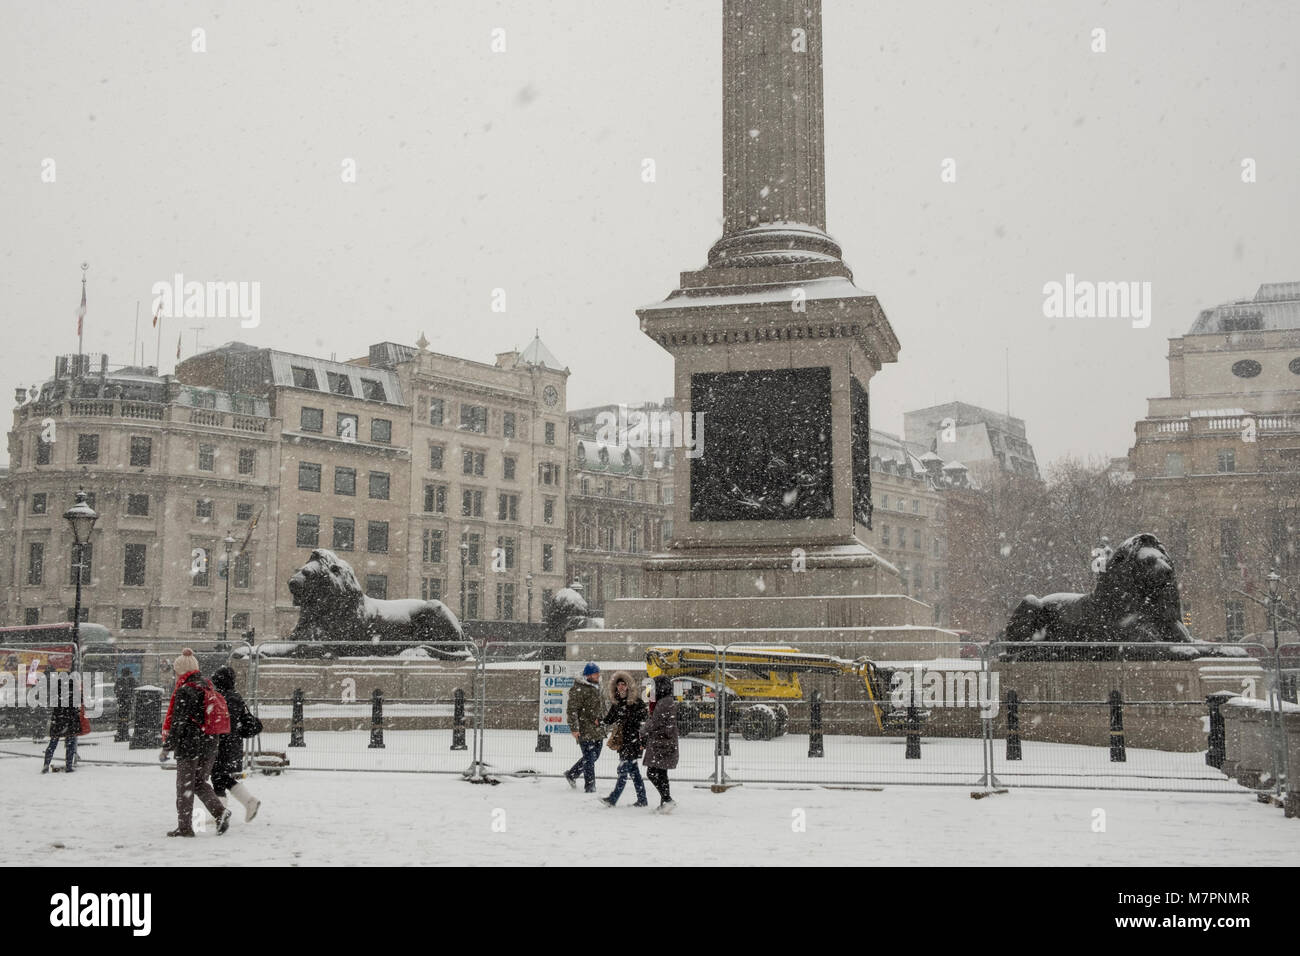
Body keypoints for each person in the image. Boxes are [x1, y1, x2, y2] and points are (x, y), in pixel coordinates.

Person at [159, 649, 230, 837]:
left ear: (181, 670)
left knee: (185, 788)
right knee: (198, 782)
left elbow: (179, 722)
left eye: (176, 671)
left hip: (190, 745)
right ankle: (220, 811)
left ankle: (185, 828)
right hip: (210, 743)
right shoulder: (207, 686)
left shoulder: (186, 690)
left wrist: (168, 745)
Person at [210, 666, 262, 822]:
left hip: (220, 744)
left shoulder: (218, 697)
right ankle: (245, 802)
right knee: (221, 777)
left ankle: (221, 813)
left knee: (218, 777)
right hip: (234, 744)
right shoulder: (236, 697)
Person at [598, 671, 649, 807]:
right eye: (619, 684)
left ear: (628, 686)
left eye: (623, 684)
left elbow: (644, 723)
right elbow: (610, 718)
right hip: (623, 741)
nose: (621, 687)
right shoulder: (617, 702)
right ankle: (642, 800)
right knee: (634, 772)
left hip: (633, 741)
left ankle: (613, 799)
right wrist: (600, 722)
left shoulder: (637, 702)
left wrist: (643, 742)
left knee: (622, 770)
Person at [640, 675, 679, 813]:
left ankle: (667, 799)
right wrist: (649, 685)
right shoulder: (665, 700)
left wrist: (642, 730)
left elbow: (654, 721)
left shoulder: (664, 703)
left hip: (662, 742)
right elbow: (648, 698)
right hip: (663, 741)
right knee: (661, 773)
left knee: (652, 772)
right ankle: (665, 802)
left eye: (654, 685)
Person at [563, 662, 604, 792]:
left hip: (597, 729)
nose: (598, 675)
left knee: (594, 756)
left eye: (598, 673)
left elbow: (602, 706)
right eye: (595, 673)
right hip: (585, 729)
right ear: (588, 675)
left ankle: (572, 774)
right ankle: (590, 786)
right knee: (589, 758)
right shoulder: (578, 688)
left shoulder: (598, 686)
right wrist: (574, 728)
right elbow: (572, 709)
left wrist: (604, 721)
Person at [41, 683, 84, 774]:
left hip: (57, 721)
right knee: (70, 745)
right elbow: (80, 701)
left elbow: (51, 703)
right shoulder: (74, 690)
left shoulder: (56, 690)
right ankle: (68, 766)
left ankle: (46, 764)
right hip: (70, 721)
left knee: (53, 744)